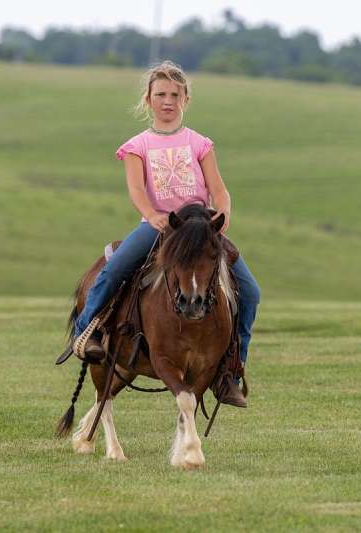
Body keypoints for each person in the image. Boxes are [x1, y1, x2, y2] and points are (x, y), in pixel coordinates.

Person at [72, 60, 260, 407]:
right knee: (114, 270)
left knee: (249, 290)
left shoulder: (200, 143)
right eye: (160, 94)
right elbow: (137, 191)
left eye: (175, 94)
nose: (167, 101)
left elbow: (219, 189)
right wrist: (152, 215)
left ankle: (231, 371)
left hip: (200, 229)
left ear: (186, 100)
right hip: (159, 226)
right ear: (148, 100)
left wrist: (223, 212)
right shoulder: (136, 146)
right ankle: (86, 332)